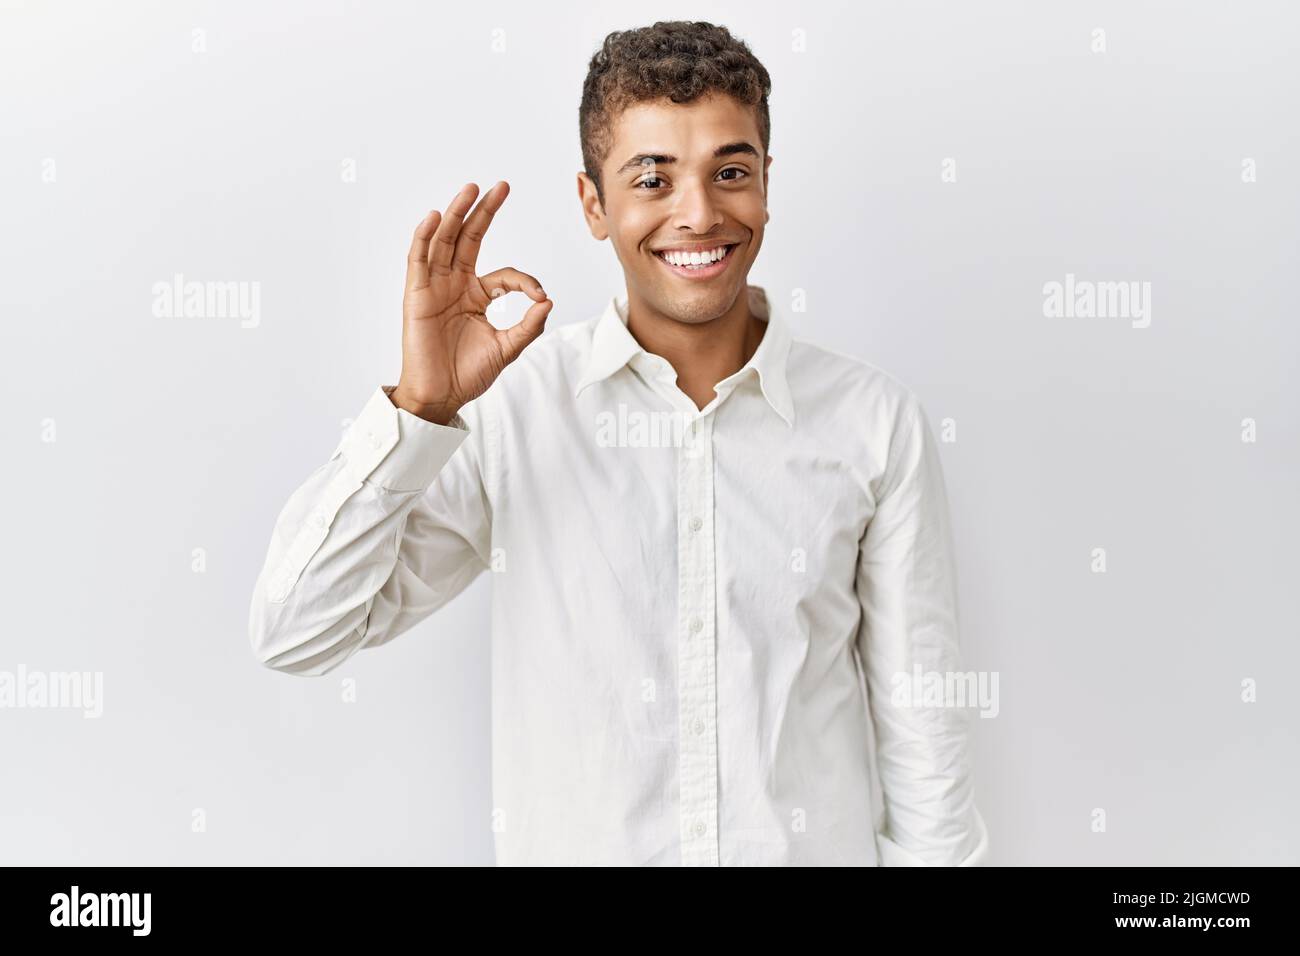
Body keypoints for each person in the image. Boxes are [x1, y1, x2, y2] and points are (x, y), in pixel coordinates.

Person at [249, 20, 989, 866]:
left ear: (767, 184)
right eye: (653, 178)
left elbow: (924, 733)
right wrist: (419, 409)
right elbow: (295, 632)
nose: (700, 213)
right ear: (594, 204)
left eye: (730, 172)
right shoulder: (515, 415)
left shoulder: (873, 422)